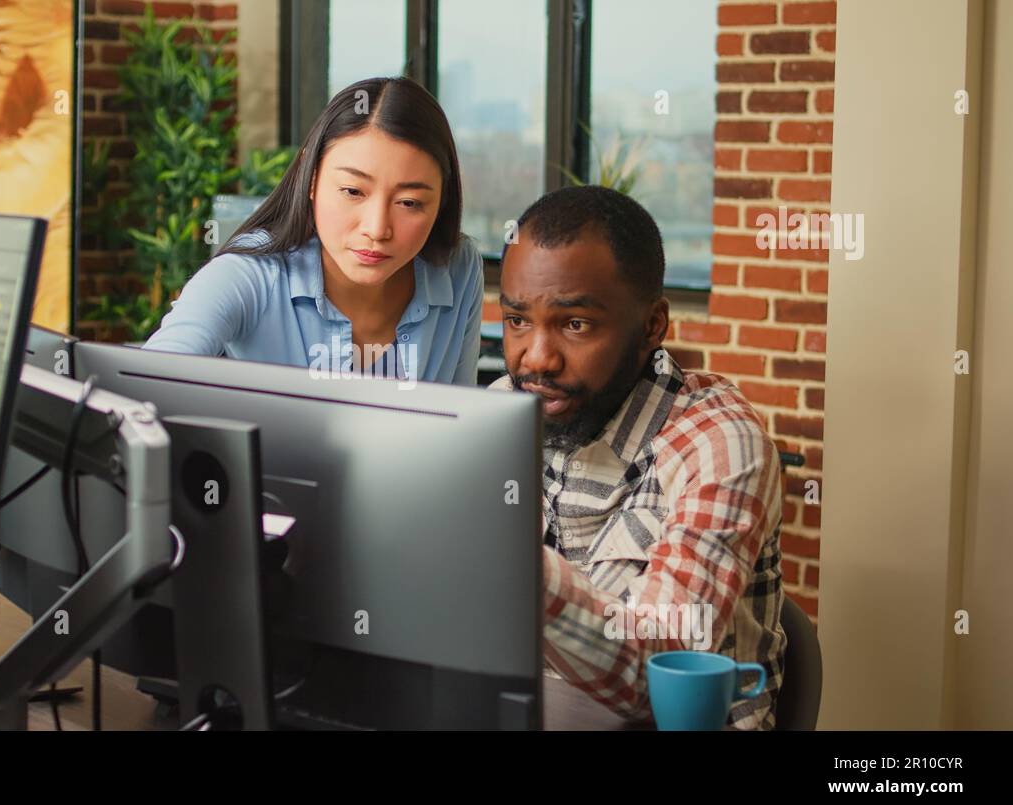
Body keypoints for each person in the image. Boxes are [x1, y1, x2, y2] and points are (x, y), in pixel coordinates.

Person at [493, 185, 786, 729]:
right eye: (517, 321)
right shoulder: (501, 415)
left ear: (653, 326)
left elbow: (654, 676)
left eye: (574, 324)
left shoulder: (720, 446)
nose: (536, 358)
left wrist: (502, 563)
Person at [143, 76, 484, 386]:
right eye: (353, 191)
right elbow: (147, 384)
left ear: (442, 200)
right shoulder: (249, 273)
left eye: (409, 202)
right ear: (312, 177)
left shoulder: (458, 268)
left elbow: (462, 423)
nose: (377, 229)